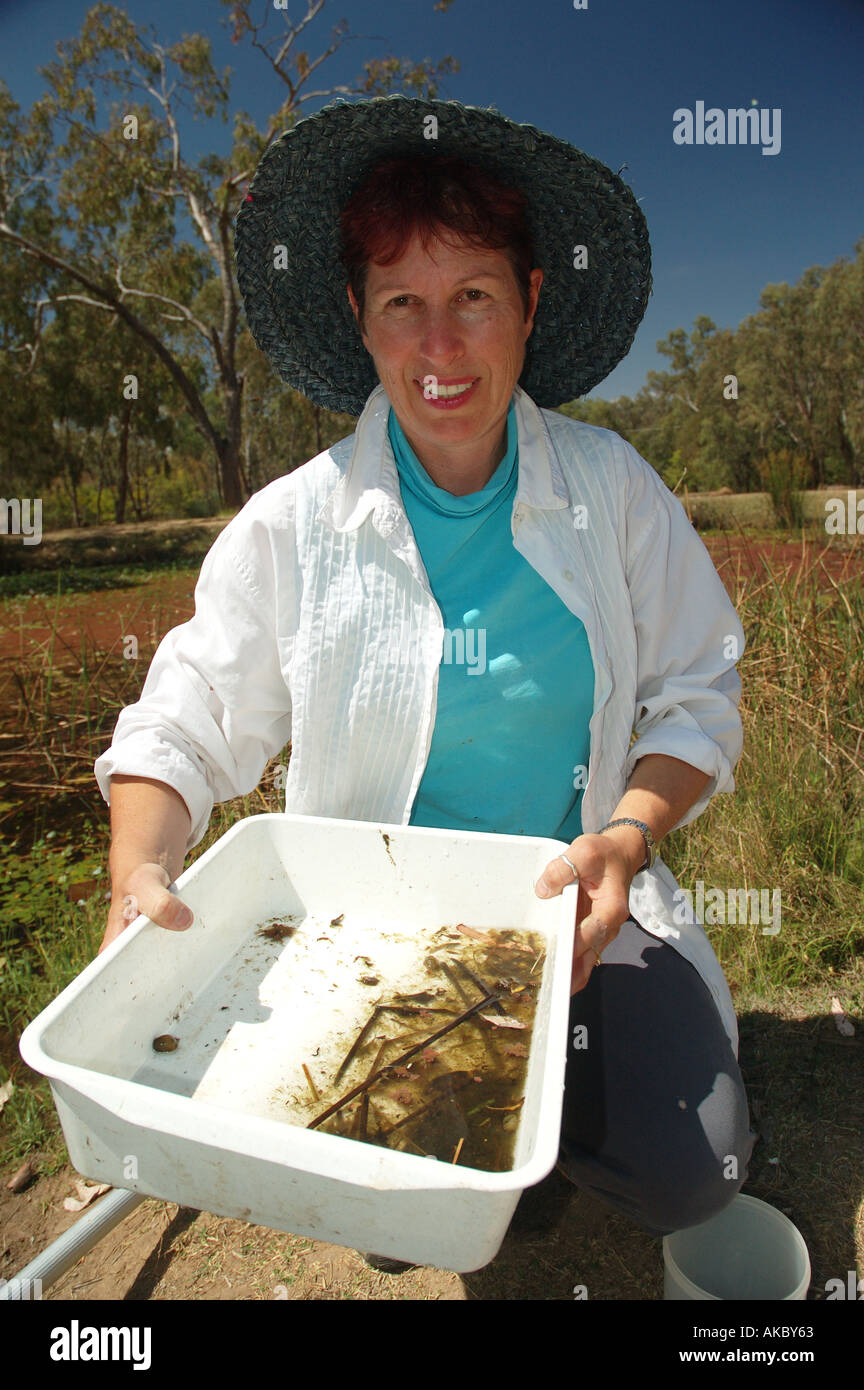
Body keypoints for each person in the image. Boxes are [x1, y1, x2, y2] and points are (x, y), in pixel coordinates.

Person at [95, 95, 755, 1250]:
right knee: (402, 1215)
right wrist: (138, 872)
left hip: (577, 911)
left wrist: (630, 832)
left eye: (473, 297)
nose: (438, 346)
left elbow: (699, 688)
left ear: (530, 302)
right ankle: (488, 1166)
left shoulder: (612, 492)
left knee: (694, 1163)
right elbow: (185, 717)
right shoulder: (294, 527)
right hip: (376, 932)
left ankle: (563, 1126)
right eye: (402, 302)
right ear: (359, 316)